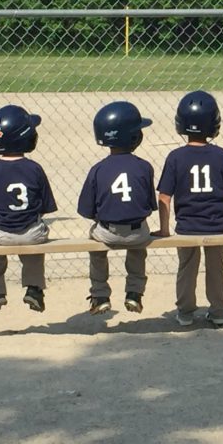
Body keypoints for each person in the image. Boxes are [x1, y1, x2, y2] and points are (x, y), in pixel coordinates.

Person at [155, 90, 223, 328]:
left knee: (187, 268)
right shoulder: (221, 155)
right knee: (216, 267)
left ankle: (185, 312)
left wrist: (164, 229)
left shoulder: (175, 157)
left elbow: (164, 196)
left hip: (187, 228)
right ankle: (218, 312)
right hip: (218, 226)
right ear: (214, 123)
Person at [77, 101, 156, 315]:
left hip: (108, 232)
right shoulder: (144, 167)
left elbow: (86, 211)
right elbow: (148, 206)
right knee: (138, 248)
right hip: (137, 232)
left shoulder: (97, 169)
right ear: (133, 137)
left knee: (95, 245)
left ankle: (100, 295)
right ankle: (134, 293)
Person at [0, 105, 57, 313]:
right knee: (34, 245)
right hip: (30, 233)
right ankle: (34, 289)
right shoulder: (34, 168)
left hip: (1, 233)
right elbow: (44, 206)